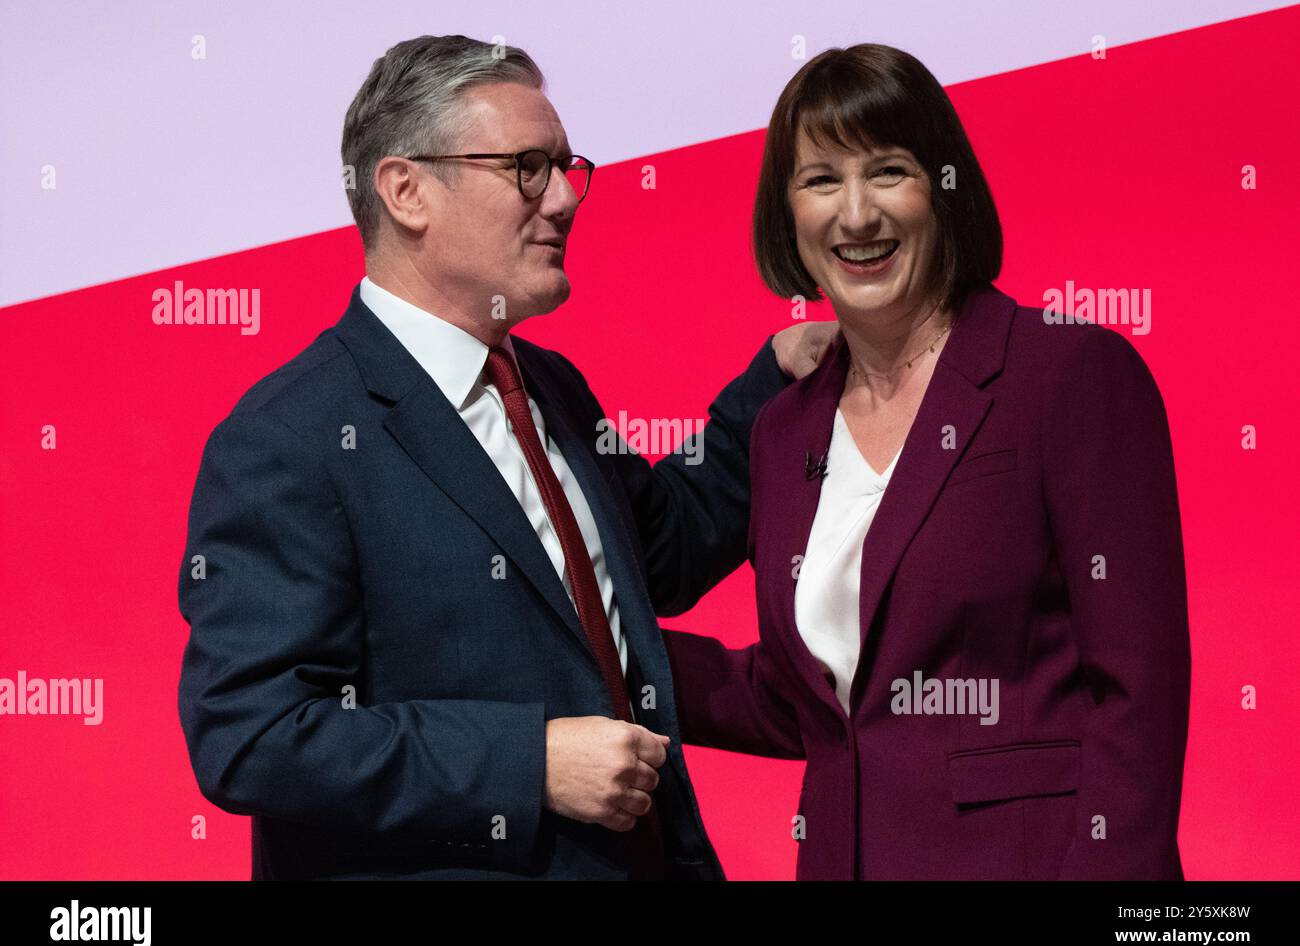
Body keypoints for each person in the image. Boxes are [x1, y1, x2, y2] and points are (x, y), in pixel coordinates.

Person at [176, 34, 833, 880]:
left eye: (565, 166)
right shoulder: (289, 437)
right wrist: (526, 763)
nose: (563, 198)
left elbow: (659, 553)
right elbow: (252, 736)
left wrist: (773, 383)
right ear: (406, 189)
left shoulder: (549, 385)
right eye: (527, 166)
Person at [662, 43, 1191, 880]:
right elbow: (812, 699)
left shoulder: (1068, 374)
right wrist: (598, 656)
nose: (858, 214)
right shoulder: (784, 429)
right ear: (786, 213)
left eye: (890, 171)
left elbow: (1139, 693)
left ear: (945, 190)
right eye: (821, 180)